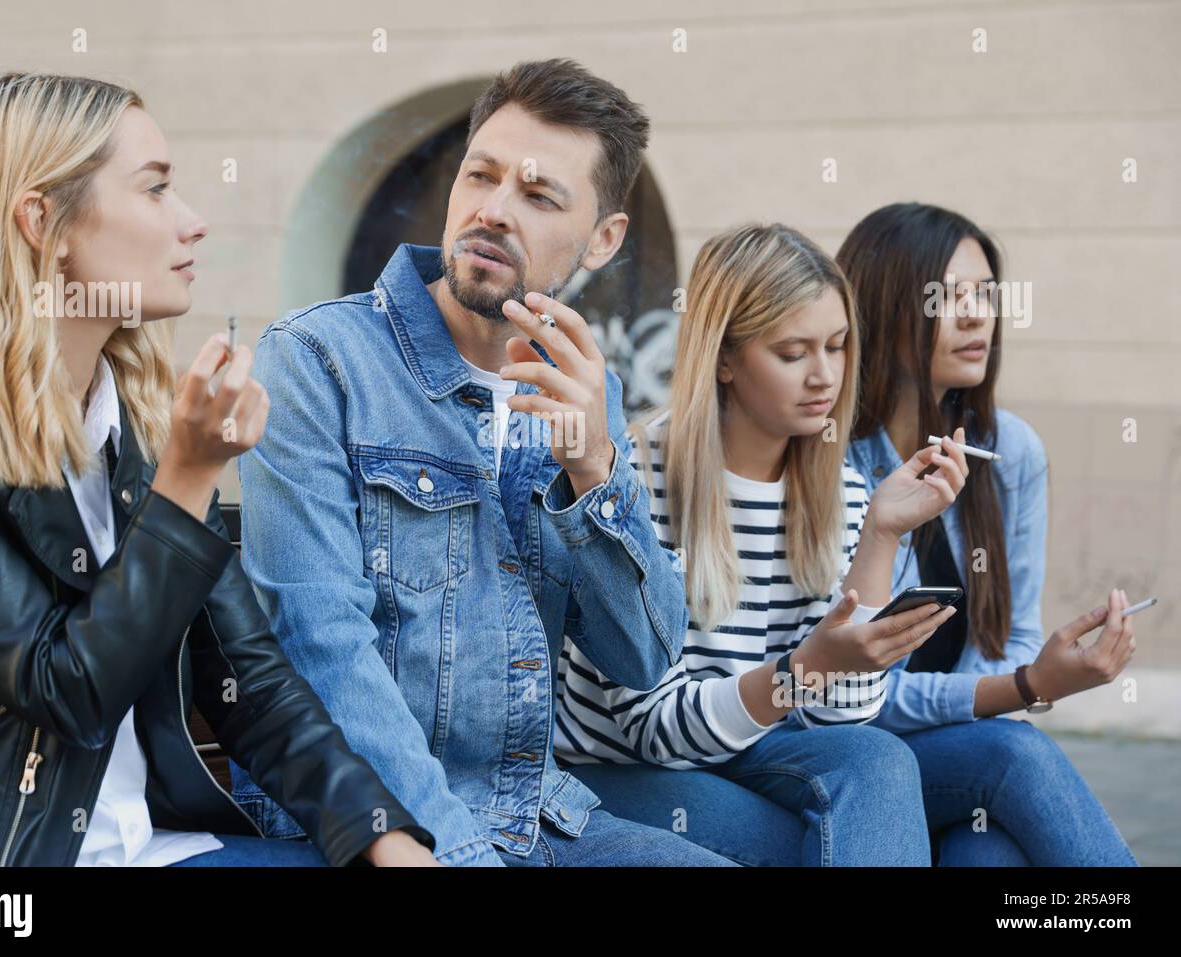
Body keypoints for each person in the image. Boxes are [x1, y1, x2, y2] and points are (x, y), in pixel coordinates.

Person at [0, 72, 435, 867]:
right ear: (44, 221)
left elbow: (252, 685)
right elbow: (63, 687)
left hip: (148, 847)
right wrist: (187, 478)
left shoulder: (132, 425)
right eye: (156, 190)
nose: (194, 223)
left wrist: (384, 834)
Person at [231, 58, 734, 866]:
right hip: (371, 826)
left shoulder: (581, 387)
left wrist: (593, 469)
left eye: (538, 197)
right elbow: (320, 641)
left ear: (604, 239)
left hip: (535, 815)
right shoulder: (317, 358)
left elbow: (642, 655)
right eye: (481, 176)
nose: (493, 212)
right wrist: (458, 850)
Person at [555, 223, 967, 865]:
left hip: (755, 753)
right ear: (724, 357)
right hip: (627, 773)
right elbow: (653, 731)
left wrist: (882, 534)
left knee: (887, 762)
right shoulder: (633, 477)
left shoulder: (847, 491)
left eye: (837, 346)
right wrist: (801, 674)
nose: (825, 377)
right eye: (793, 352)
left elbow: (842, 721)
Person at [839, 201, 1137, 866]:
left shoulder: (1012, 453)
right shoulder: (835, 463)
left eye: (985, 295)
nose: (977, 315)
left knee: (989, 852)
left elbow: (1014, 637)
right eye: (947, 297)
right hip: (858, 753)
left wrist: (1016, 681)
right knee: (1013, 752)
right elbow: (848, 689)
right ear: (884, 308)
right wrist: (1020, 689)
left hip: (962, 749)